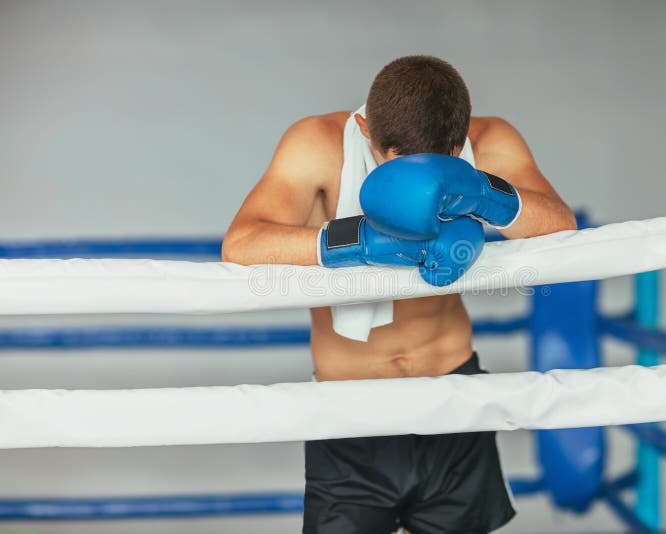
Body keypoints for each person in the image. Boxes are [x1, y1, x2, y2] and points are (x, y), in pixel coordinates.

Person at [222, 55, 576, 534]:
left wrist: (483, 192)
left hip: (452, 395)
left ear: (460, 141)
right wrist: (363, 242)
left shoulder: (489, 142)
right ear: (365, 129)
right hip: (351, 412)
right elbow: (242, 244)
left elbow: (562, 227)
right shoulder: (317, 145)